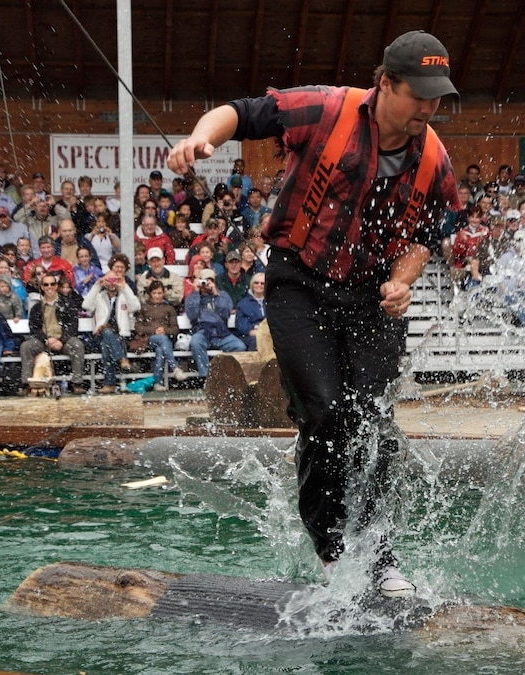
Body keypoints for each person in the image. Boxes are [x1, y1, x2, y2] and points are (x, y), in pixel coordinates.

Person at [168, 29, 462, 597]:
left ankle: (380, 556)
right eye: (418, 94)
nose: (428, 108)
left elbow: (427, 235)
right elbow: (244, 112)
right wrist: (200, 138)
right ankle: (331, 547)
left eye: (437, 97)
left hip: (372, 296)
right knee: (326, 412)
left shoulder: (436, 159)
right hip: (298, 283)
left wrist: (402, 282)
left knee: (372, 420)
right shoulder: (328, 108)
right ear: (385, 84)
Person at [22, 272, 87, 394]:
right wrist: (46, 339)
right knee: (26, 346)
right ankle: (27, 383)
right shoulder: (37, 307)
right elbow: (34, 328)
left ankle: (77, 383)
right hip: (44, 341)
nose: (49, 287)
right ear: (42, 287)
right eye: (46, 284)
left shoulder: (68, 303)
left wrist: (61, 340)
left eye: (52, 284)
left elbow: (73, 326)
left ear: (56, 286)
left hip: (64, 340)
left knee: (77, 345)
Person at [82, 267, 140, 394]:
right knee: (106, 334)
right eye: (108, 280)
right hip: (100, 334)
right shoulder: (99, 296)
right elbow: (85, 305)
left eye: (114, 279)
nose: (111, 282)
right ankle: (121, 359)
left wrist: (124, 286)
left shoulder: (124, 296)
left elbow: (136, 306)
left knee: (106, 345)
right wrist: (97, 285)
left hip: (120, 335)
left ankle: (110, 383)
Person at [182, 268, 246, 377]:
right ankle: (206, 376)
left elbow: (226, 314)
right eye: (204, 280)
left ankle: (227, 375)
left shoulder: (223, 295)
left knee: (240, 346)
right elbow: (192, 315)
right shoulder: (193, 296)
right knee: (195, 343)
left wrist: (216, 294)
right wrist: (197, 292)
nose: (206, 283)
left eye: (210, 280)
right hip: (202, 331)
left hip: (221, 332)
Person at [131, 280, 188, 390]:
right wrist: (154, 330)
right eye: (154, 293)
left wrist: (165, 330)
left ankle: (158, 382)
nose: (157, 296)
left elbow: (175, 329)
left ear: (163, 293)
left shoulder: (169, 308)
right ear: (150, 293)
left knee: (160, 350)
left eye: (159, 293)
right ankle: (175, 367)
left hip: (165, 339)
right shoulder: (144, 307)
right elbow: (138, 327)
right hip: (149, 339)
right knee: (162, 340)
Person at [234, 271, 267, 351]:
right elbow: (241, 326)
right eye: (256, 283)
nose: (259, 285)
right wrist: (255, 330)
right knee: (256, 341)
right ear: (252, 284)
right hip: (248, 335)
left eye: (262, 283)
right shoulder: (243, 304)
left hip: (267, 333)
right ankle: (254, 363)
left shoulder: (270, 302)